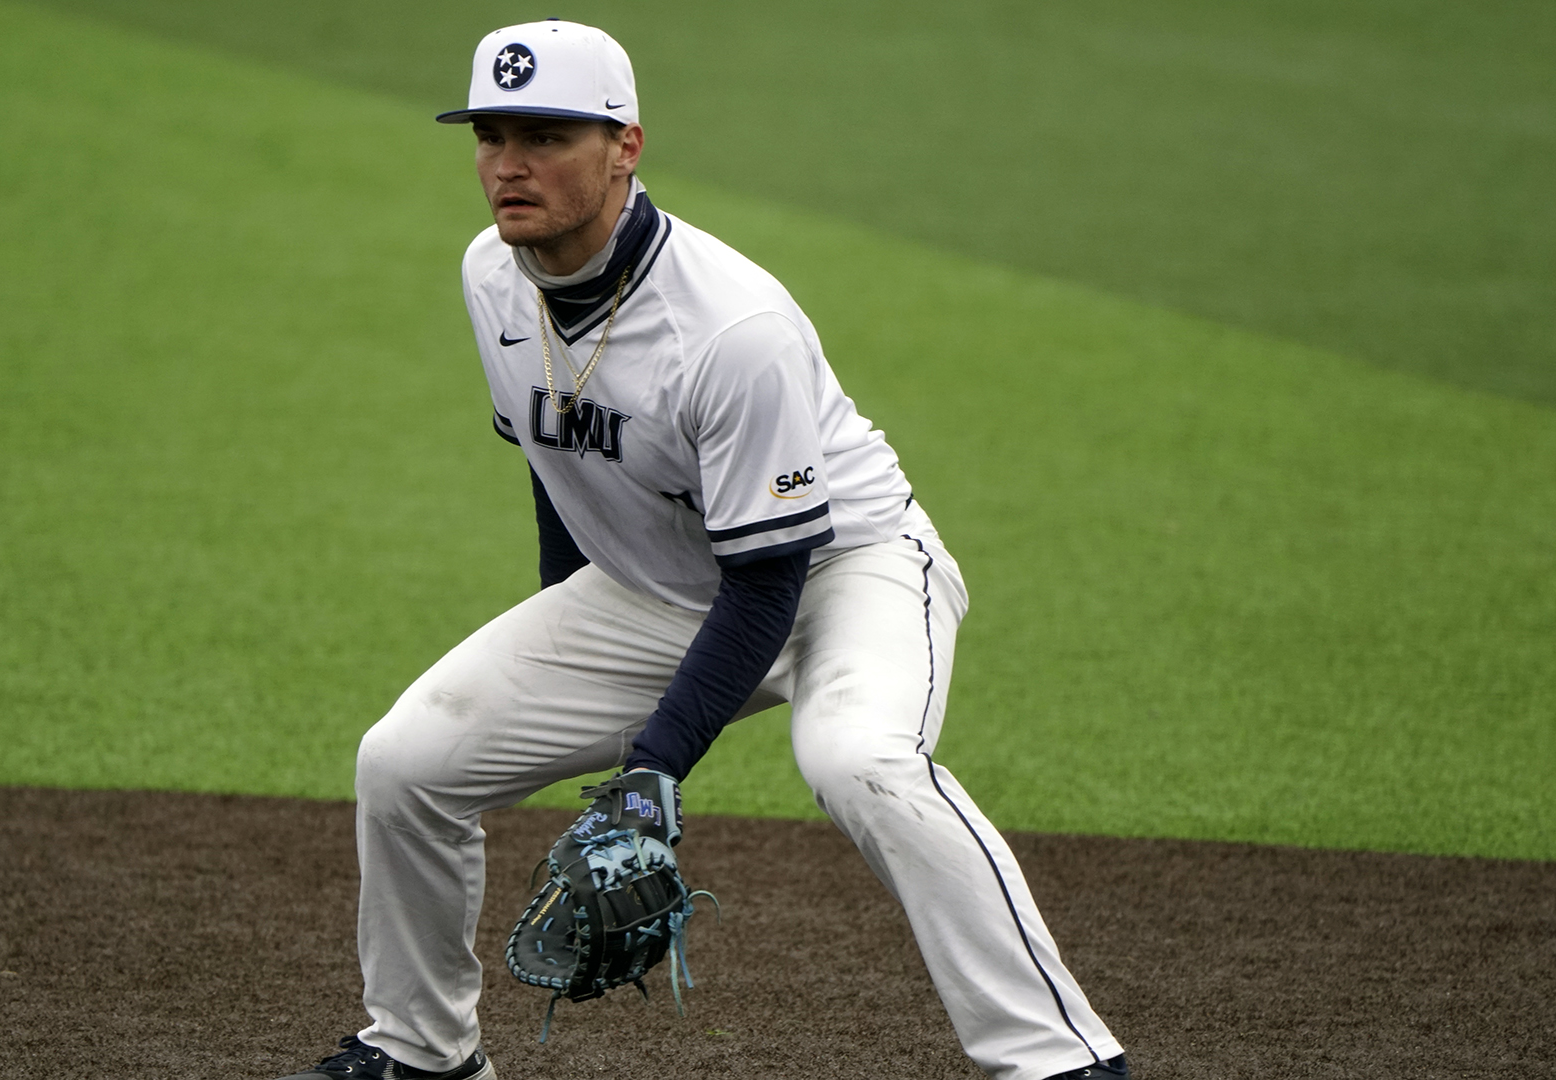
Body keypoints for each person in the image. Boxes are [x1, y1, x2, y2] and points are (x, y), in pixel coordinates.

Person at [275, 19, 1128, 1080]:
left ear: (624, 146)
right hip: (653, 589)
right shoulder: (492, 277)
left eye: (546, 135)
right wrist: (568, 665)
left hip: (840, 573)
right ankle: (421, 1053)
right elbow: (558, 464)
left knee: (858, 760)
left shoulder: (730, 330)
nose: (509, 165)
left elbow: (767, 583)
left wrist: (652, 765)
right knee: (404, 764)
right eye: (492, 135)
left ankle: (1062, 1061)